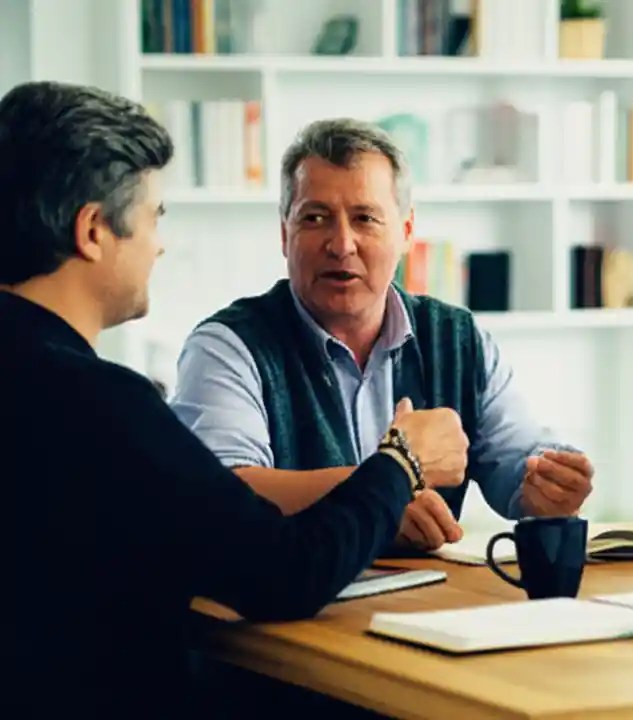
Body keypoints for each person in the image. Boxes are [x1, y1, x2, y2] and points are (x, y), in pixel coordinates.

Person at [0, 82, 454, 716]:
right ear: (94, 230)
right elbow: (283, 576)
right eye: (155, 217)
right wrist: (401, 461)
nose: (160, 244)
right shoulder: (100, 405)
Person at [170, 119, 593, 551]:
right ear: (285, 234)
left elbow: (517, 465)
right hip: (288, 610)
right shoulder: (227, 346)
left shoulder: (458, 339)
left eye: (365, 218)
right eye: (315, 218)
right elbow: (227, 494)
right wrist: (386, 490)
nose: (341, 244)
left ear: (406, 232)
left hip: (424, 603)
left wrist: (549, 486)